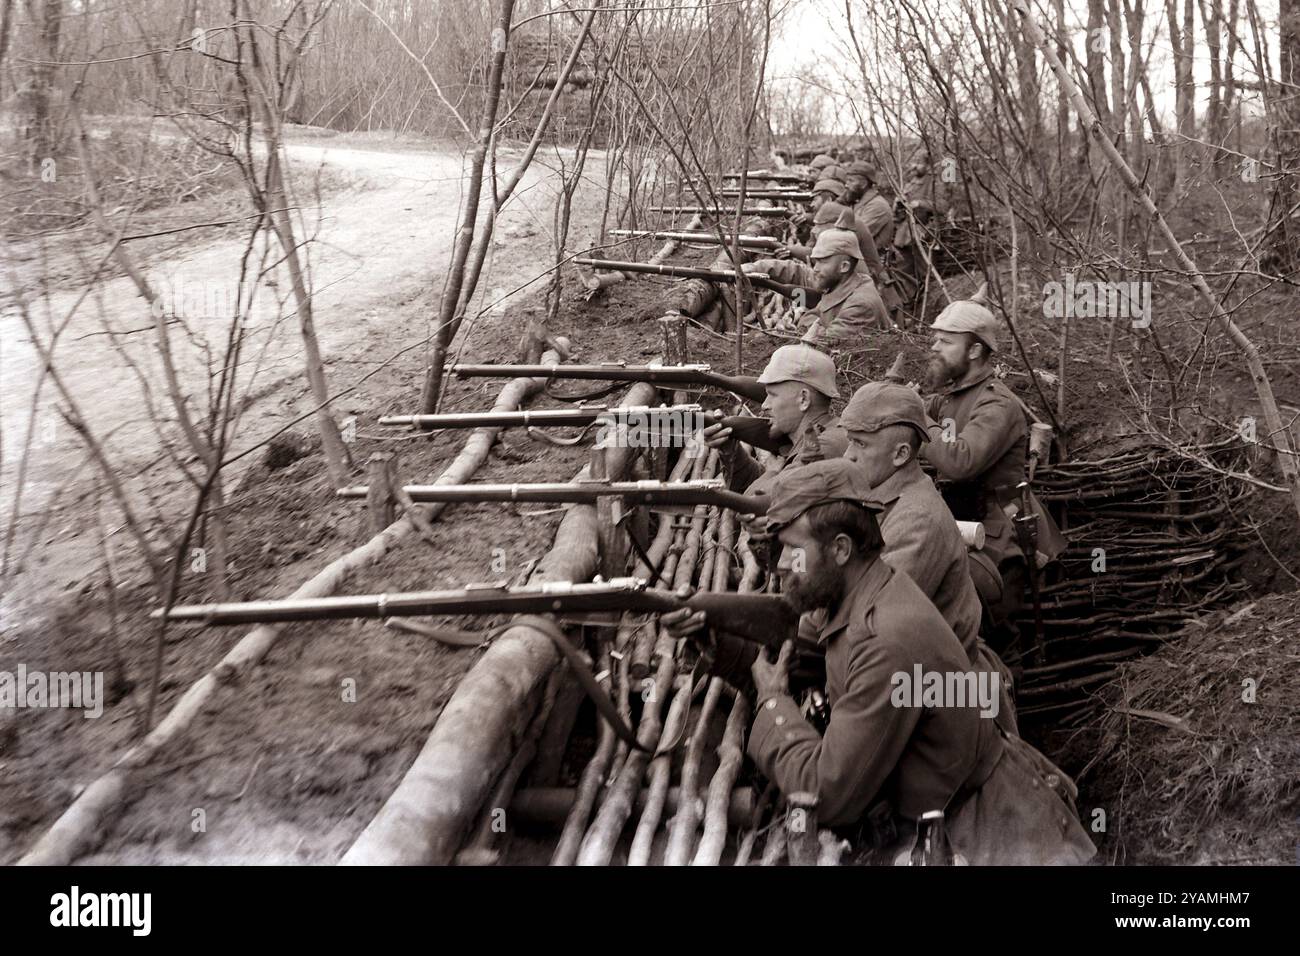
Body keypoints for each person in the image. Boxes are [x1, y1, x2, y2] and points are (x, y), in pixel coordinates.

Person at [662, 459, 1095, 865]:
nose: (779, 567)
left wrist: (773, 704)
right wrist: (714, 641)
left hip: (990, 840)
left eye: (792, 552)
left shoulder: (885, 636)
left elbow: (824, 792)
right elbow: (809, 658)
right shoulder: (866, 592)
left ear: (841, 549)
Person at [839, 380, 1017, 734]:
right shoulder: (880, 498)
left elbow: (866, 621)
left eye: (860, 444)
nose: (848, 455)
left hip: (944, 706)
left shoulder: (915, 520)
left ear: (901, 455)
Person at [921, 292, 1067, 647]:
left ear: (974, 351)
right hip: (963, 519)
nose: (935, 347)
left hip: (1001, 528)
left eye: (946, 341)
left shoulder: (997, 402)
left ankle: (1000, 692)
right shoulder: (950, 397)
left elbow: (960, 461)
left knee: (989, 627)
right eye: (935, 339)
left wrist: (915, 420)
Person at [702, 343, 846, 495]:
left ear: (804, 399)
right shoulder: (811, 439)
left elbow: (753, 503)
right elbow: (746, 489)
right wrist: (730, 450)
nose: (764, 405)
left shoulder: (824, 447)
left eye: (773, 395)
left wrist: (773, 473)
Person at [743, 220, 891, 345]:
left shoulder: (861, 304)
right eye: (815, 262)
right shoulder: (839, 285)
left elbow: (822, 342)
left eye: (823, 262)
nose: (816, 269)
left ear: (844, 266)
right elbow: (812, 315)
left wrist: (814, 325)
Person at [842, 160, 895, 250]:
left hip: (872, 261)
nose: (846, 185)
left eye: (851, 181)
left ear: (863, 184)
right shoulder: (859, 200)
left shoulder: (877, 206)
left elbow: (854, 235)